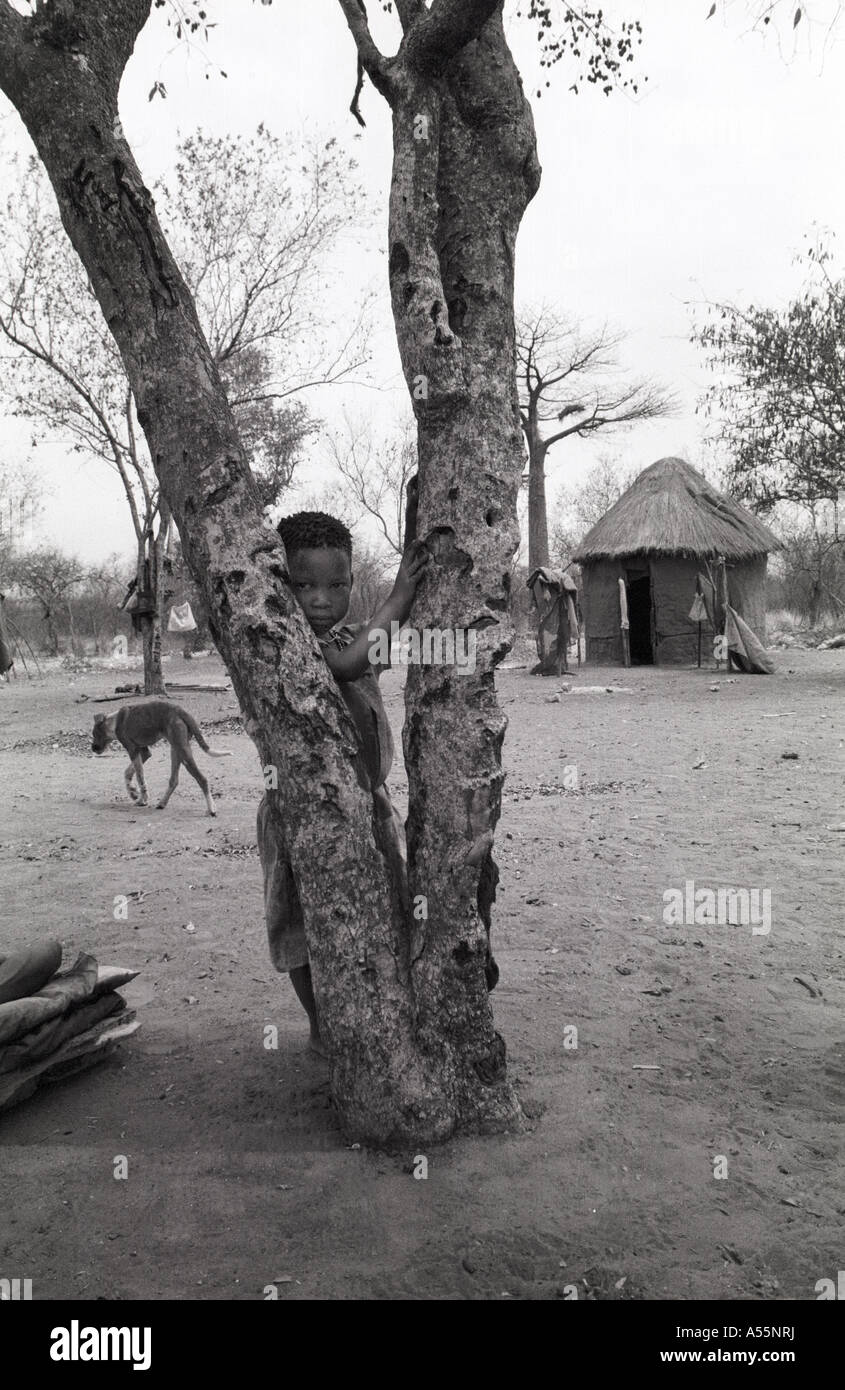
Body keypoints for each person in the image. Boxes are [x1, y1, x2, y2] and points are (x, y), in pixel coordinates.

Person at [256, 510, 429, 1055]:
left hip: (368, 804)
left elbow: (369, 651)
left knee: (391, 901)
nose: (321, 599)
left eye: (337, 584)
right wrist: (398, 597)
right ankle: (317, 1024)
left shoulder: (355, 635)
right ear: (284, 587)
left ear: (353, 582)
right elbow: (349, 666)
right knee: (297, 923)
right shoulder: (287, 641)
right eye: (304, 585)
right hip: (297, 810)